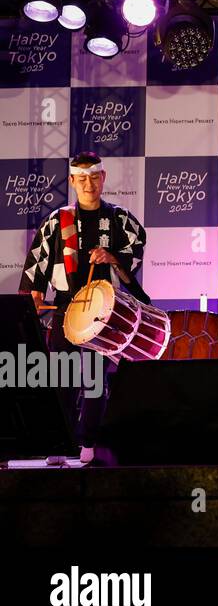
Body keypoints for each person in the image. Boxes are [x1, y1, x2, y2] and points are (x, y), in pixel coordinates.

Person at [19, 152, 148, 456]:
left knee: (93, 378)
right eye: (82, 179)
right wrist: (34, 293)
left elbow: (136, 249)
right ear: (73, 182)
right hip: (67, 309)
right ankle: (60, 442)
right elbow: (38, 259)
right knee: (61, 378)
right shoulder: (57, 220)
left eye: (94, 177)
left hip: (105, 312)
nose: (89, 184)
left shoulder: (120, 219)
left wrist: (112, 257)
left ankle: (89, 441)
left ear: (103, 179)